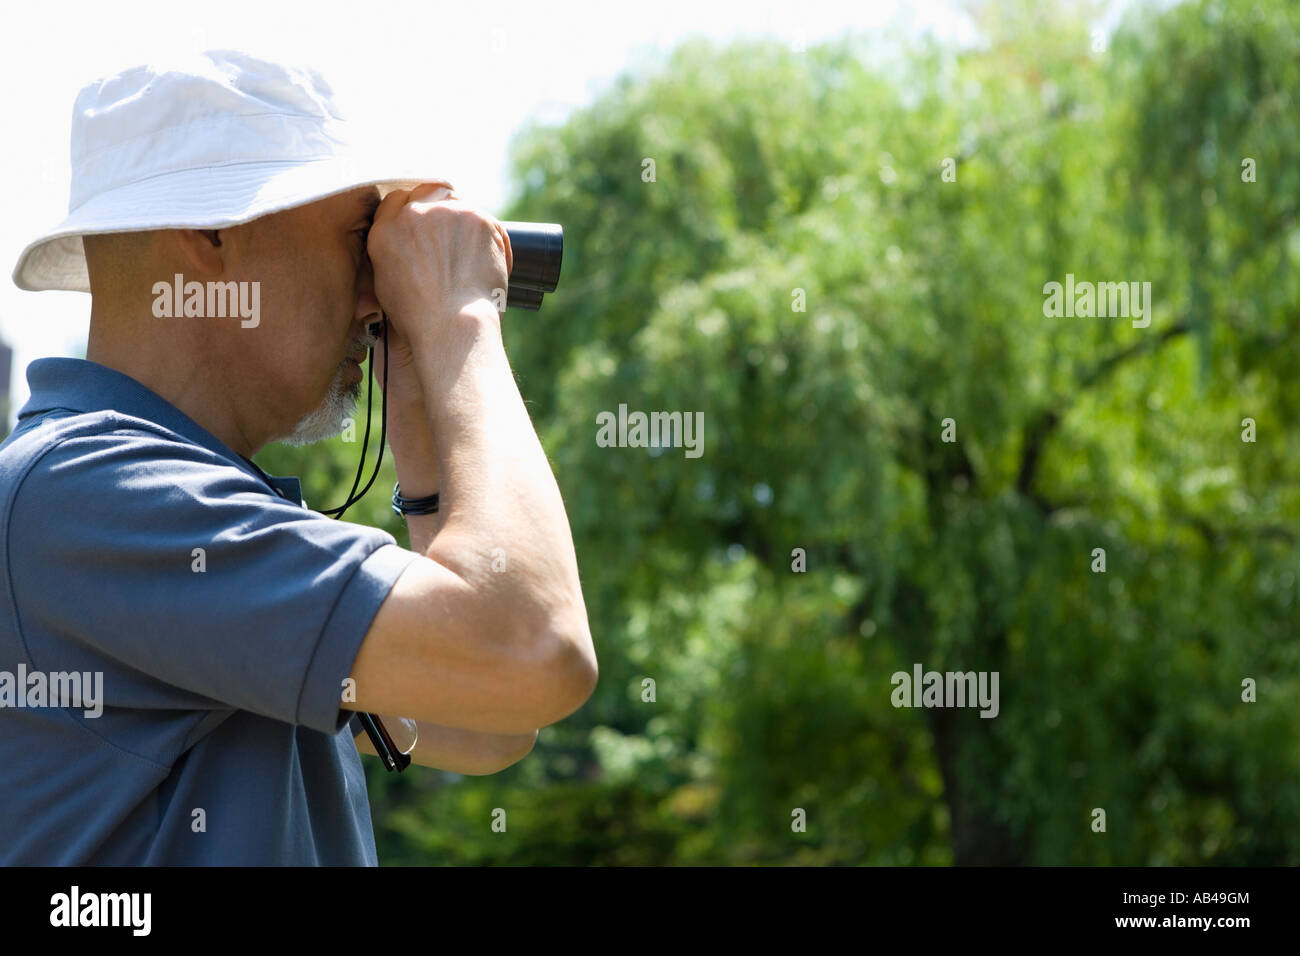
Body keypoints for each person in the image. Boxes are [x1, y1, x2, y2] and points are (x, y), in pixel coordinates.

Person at [0, 50, 597, 865]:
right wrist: (460, 314)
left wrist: (419, 414)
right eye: (360, 241)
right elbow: (535, 652)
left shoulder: (164, 503)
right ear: (210, 232)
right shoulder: (90, 491)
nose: (374, 294)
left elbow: (486, 718)